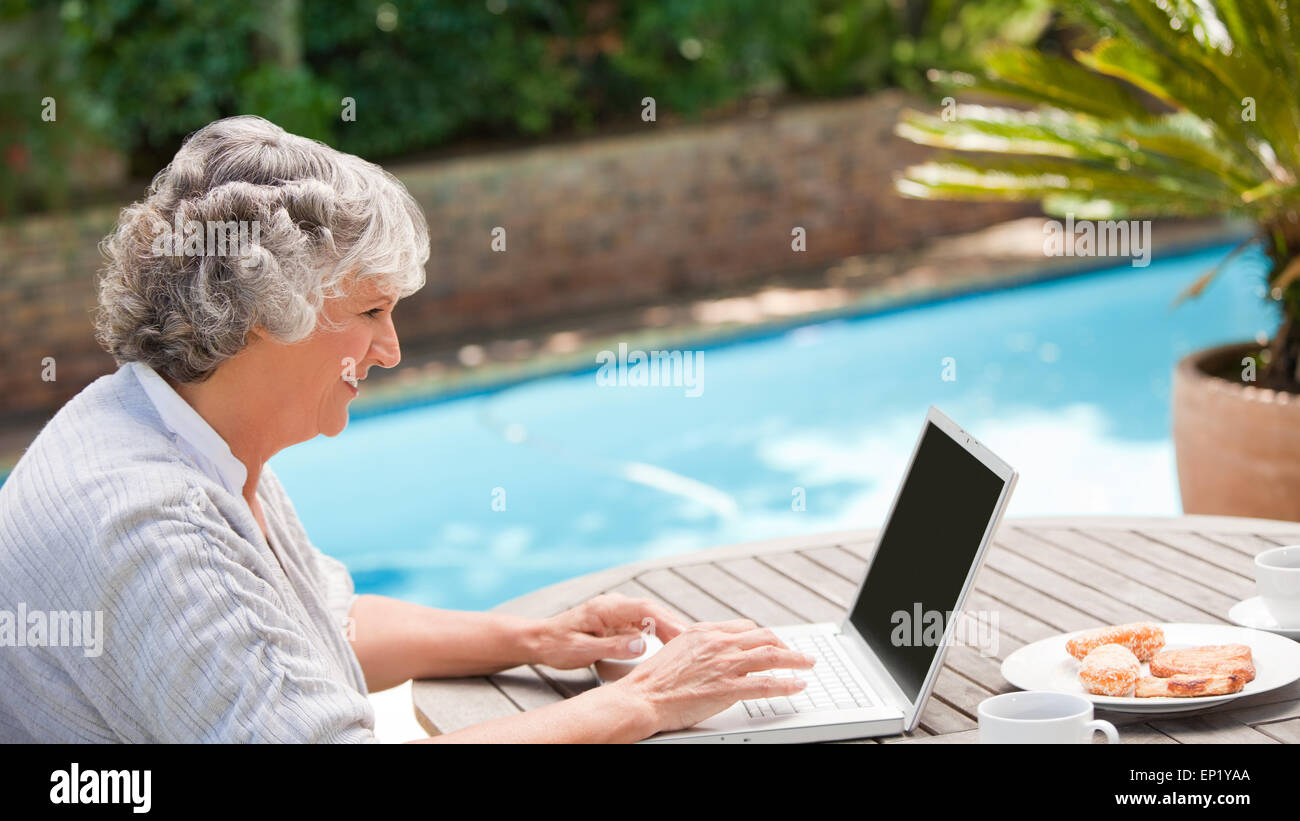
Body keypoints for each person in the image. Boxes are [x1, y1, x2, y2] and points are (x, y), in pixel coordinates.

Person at [0, 116, 812, 742]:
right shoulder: (158, 524)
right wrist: (645, 700)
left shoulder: (167, 425)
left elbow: (325, 624)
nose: (389, 349)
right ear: (260, 314)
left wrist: (530, 634)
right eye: (371, 311)